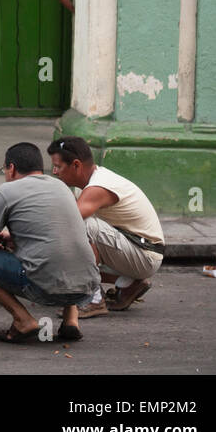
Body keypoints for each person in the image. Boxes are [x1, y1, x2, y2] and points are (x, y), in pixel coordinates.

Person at [0, 142, 100, 343]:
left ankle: (23, 320)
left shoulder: (7, 191)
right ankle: (71, 320)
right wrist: (14, 239)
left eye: (4, 169)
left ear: (12, 168)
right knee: (63, 246)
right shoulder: (61, 186)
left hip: (46, 289)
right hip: (87, 289)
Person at [48, 136, 163, 317]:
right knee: (62, 260)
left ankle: (93, 300)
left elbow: (67, 222)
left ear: (76, 165)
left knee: (83, 225)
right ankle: (128, 283)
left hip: (145, 254)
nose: (54, 172)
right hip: (133, 249)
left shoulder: (98, 187)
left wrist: (20, 234)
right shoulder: (85, 185)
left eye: (58, 166)